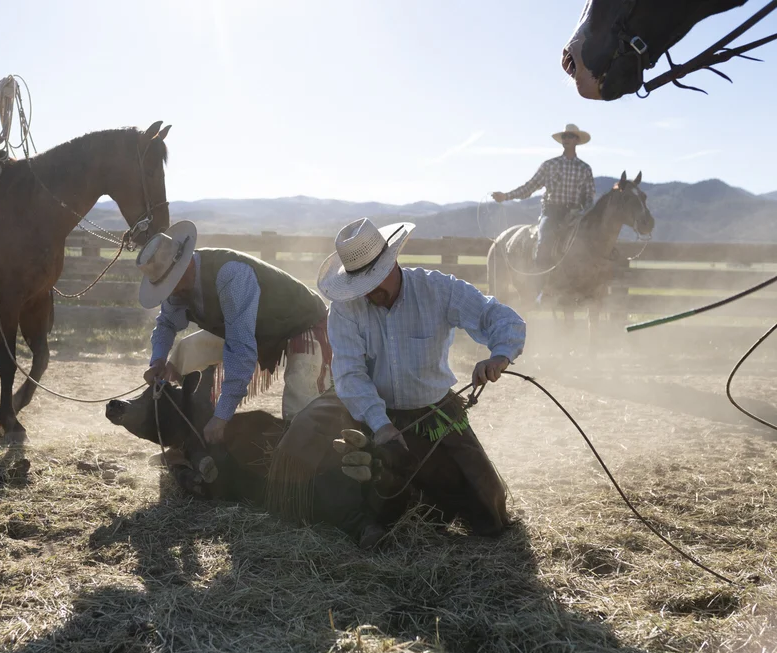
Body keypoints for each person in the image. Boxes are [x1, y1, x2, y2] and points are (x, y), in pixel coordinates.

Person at [286, 217, 526, 546]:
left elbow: (498, 317)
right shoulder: (345, 309)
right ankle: (365, 519)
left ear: (391, 263)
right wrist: (380, 424)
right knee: (334, 461)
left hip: (435, 412)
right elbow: (350, 373)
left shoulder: (439, 289)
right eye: (361, 287)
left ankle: (415, 503)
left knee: (489, 504)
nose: (369, 294)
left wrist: (499, 355)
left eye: (374, 282)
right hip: (371, 410)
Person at [135, 221, 332, 448]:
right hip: (247, 327)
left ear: (185, 263)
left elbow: (240, 350)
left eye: (171, 284)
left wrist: (222, 417)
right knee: (185, 351)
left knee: (299, 403)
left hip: (301, 323)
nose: (170, 292)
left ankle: (301, 457)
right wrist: (158, 359)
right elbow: (166, 323)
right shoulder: (176, 287)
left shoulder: (231, 275)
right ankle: (188, 434)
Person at [491, 123, 595, 268]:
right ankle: (540, 282)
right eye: (564, 136)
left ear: (576, 140)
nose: (566, 139)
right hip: (552, 211)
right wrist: (506, 196)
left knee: (590, 243)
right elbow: (530, 187)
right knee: (545, 240)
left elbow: (590, 196)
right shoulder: (550, 165)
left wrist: (583, 212)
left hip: (575, 215)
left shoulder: (584, 169)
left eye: (570, 136)